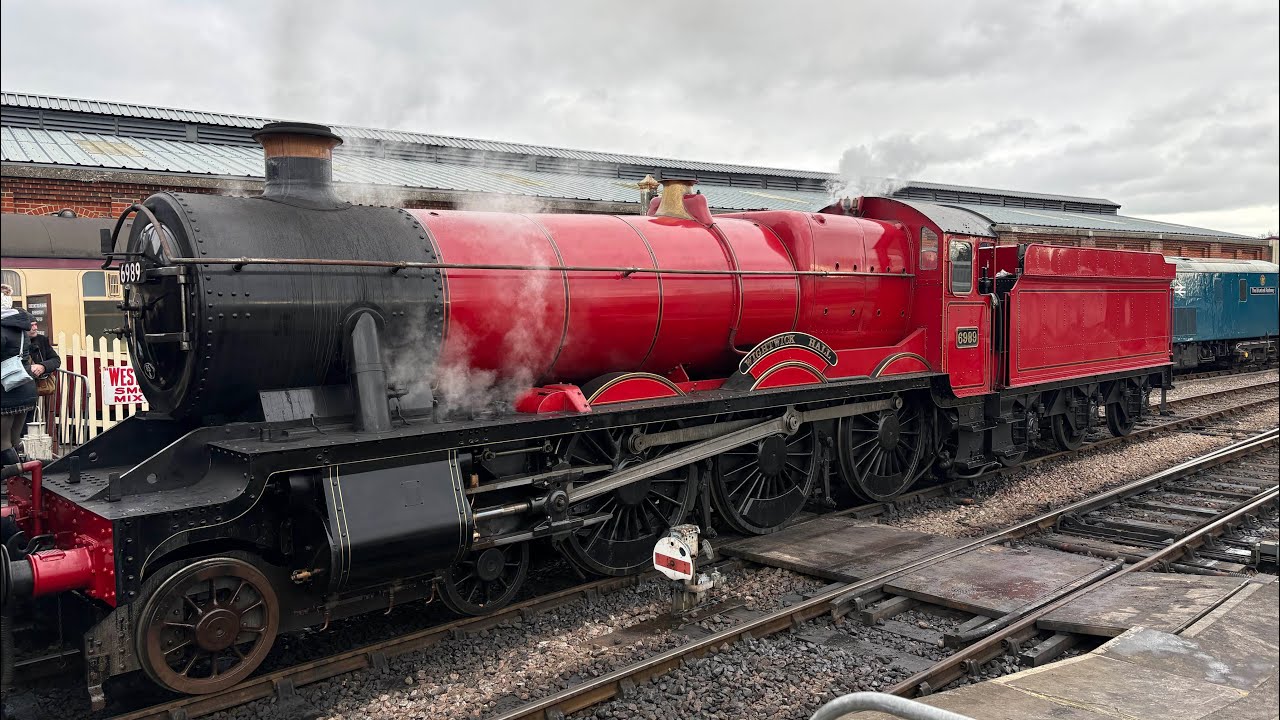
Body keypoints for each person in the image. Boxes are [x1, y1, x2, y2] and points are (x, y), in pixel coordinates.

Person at [1, 284, 38, 465]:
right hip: (25, 385)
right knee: (15, 439)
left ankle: (11, 482)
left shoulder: (2, 330)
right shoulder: (21, 329)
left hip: (7, 390)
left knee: (2, 442)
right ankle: (23, 477)